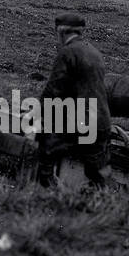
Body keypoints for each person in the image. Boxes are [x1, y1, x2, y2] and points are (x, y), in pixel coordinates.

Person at [36, 13, 111, 188]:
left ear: (61, 32)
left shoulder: (68, 52)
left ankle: (47, 197)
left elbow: (54, 90)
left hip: (80, 122)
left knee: (46, 151)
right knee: (97, 173)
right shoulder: (94, 52)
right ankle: (105, 207)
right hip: (101, 122)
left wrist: (36, 115)